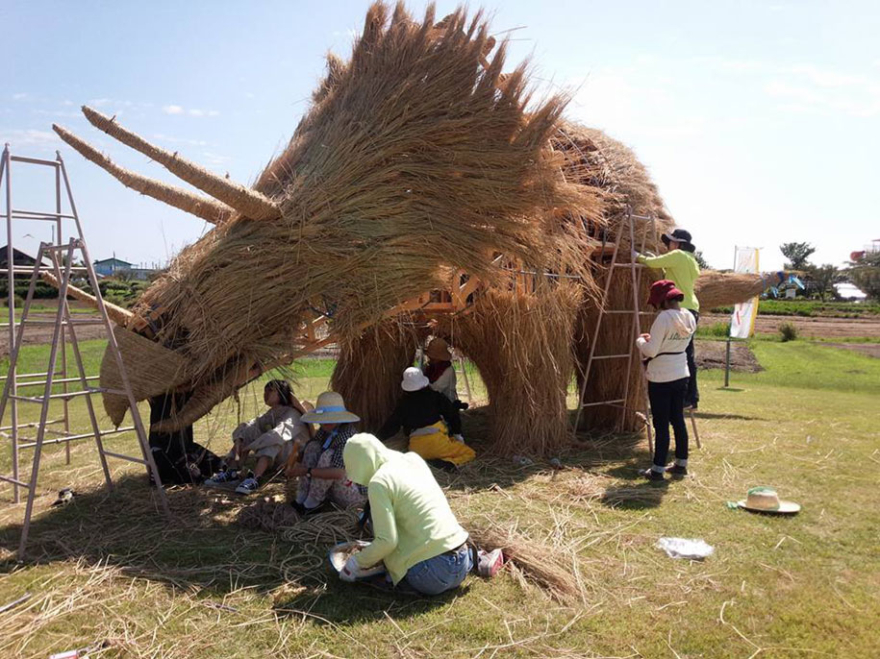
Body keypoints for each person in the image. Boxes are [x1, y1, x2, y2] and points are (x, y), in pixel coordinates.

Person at [338, 433, 502, 594]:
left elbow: (387, 541)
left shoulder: (379, 482)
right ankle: (480, 558)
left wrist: (354, 564)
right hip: (462, 558)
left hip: (431, 576)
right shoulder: (412, 459)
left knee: (387, 574)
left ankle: (398, 582)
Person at [636, 280, 697, 481]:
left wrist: (641, 341)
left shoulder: (663, 318)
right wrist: (653, 340)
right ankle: (681, 464)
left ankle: (657, 470)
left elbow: (651, 351)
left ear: (662, 301)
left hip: (661, 376)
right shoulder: (688, 316)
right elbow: (672, 343)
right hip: (681, 373)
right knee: (678, 420)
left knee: (661, 424)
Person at [635, 228, 701, 409]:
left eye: (671, 242)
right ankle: (690, 396)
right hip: (691, 309)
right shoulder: (691, 260)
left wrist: (638, 256)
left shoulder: (677, 255)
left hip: (679, 307)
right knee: (686, 352)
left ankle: (688, 397)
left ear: (678, 244)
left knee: (672, 350)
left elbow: (654, 263)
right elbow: (668, 270)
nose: (668, 245)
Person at [205, 380, 310, 494]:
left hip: (292, 459)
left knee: (272, 439)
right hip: (277, 457)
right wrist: (239, 438)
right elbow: (253, 424)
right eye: (265, 391)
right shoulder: (272, 412)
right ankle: (232, 471)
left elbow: (278, 435)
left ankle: (254, 479)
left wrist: (251, 445)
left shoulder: (292, 414)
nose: (266, 394)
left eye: (270, 390)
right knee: (249, 430)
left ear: (282, 393)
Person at [377, 367, 476, 468]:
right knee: (469, 453)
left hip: (416, 451)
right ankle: (449, 463)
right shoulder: (435, 396)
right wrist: (457, 434)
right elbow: (451, 414)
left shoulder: (403, 404)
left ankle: (426, 461)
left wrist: (376, 438)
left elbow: (391, 426)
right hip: (438, 444)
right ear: (423, 382)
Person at [286, 391, 366, 514]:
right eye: (324, 419)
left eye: (331, 418)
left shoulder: (347, 436)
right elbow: (310, 452)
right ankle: (302, 497)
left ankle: (312, 503)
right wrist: (294, 459)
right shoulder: (325, 430)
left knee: (328, 455)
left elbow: (339, 473)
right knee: (312, 446)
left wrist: (306, 471)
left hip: (352, 493)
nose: (326, 422)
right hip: (331, 490)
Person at [423, 337, 458, 402]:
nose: (430, 358)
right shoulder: (430, 367)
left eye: (433, 357)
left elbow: (436, 389)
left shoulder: (448, 370)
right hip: (432, 402)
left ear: (440, 358)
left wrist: (421, 381)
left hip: (446, 403)